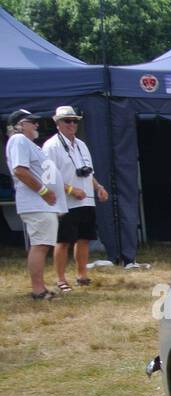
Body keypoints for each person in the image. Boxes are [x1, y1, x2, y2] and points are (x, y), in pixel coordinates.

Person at [43, 106, 108, 290]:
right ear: (57, 123)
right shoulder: (51, 146)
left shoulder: (81, 144)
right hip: (66, 202)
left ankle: (81, 275)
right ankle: (61, 279)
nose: (72, 124)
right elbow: (48, 178)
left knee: (84, 238)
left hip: (86, 199)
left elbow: (88, 172)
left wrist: (99, 187)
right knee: (63, 241)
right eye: (67, 121)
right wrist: (71, 190)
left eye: (75, 121)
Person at [6, 109, 67, 300]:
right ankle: (38, 290)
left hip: (42, 204)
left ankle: (40, 287)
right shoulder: (18, 140)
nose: (36, 124)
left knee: (42, 245)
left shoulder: (28, 144)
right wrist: (44, 192)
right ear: (19, 125)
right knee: (40, 245)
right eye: (31, 121)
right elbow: (20, 171)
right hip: (37, 203)